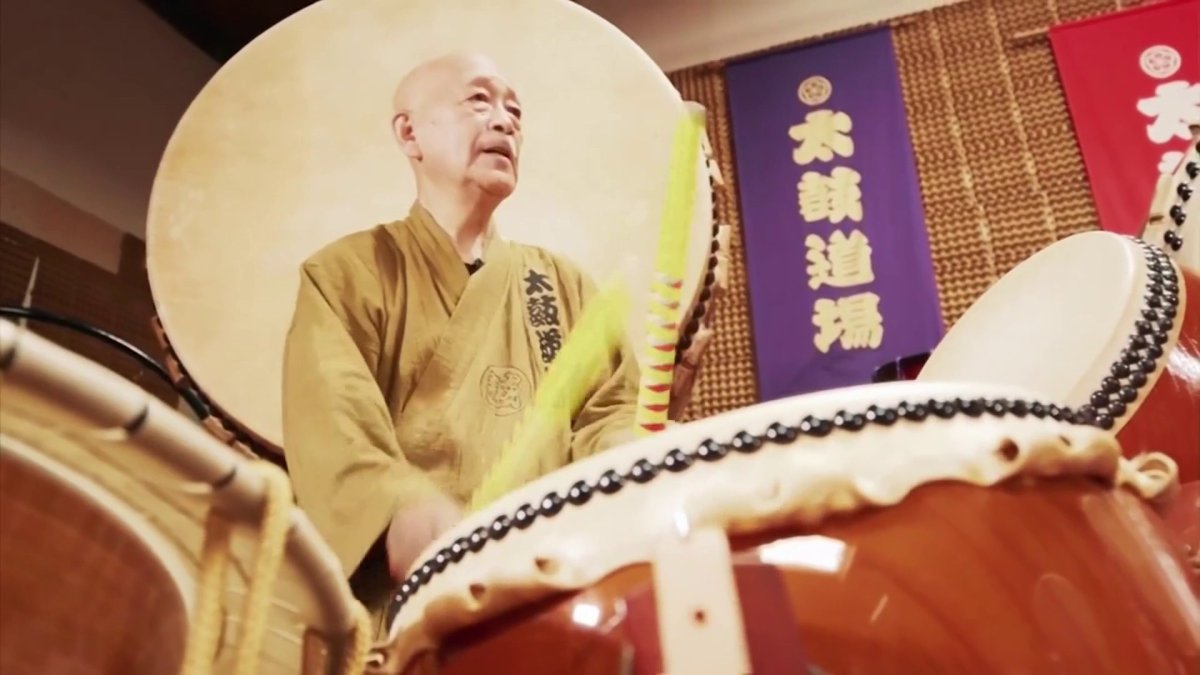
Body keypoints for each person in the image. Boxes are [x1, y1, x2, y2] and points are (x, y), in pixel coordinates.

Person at [280, 52, 640, 627]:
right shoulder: (347, 273)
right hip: (411, 603)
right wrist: (399, 505)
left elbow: (607, 413)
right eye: (480, 100)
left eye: (514, 110)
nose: (505, 121)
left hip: (549, 593)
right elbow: (334, 424)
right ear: (410, 133)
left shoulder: (564, 285)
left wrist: (633, 451)